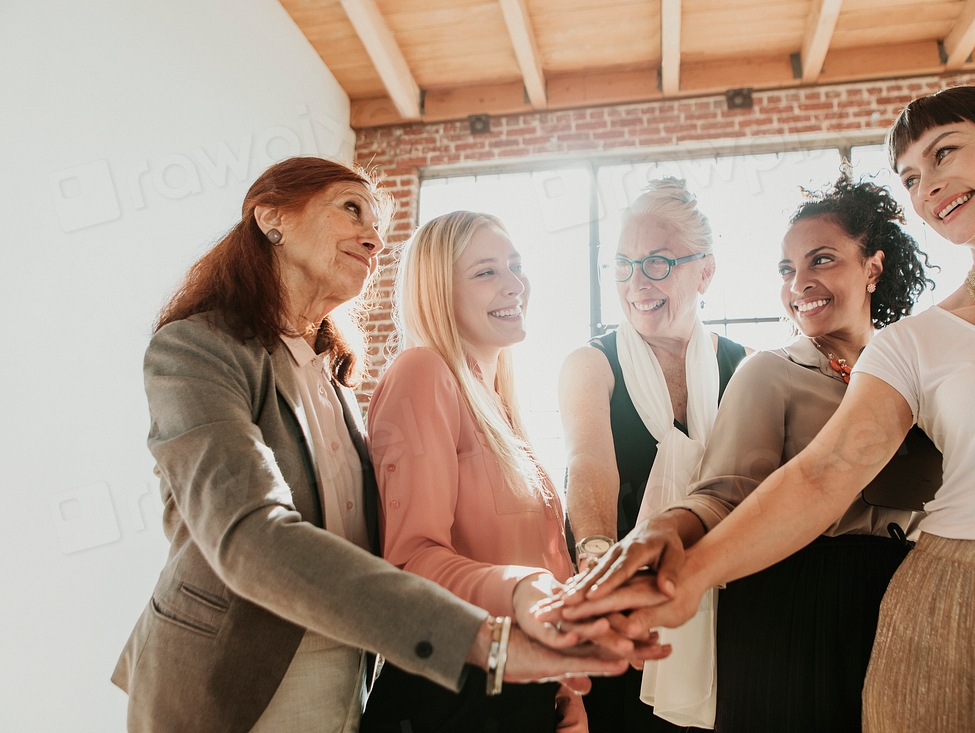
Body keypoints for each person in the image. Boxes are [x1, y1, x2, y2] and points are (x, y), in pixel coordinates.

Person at [547, 86, 975, 733]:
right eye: (913, 177)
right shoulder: (913, 346)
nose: (929, 186)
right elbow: (816, 474)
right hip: (932, 613)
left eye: (945, 153)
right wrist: (683, 570)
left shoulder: (888, 343)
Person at [111, 157, 632, 733]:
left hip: (347, 678)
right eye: (352, 208)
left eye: (377, 221)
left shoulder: (334, 382)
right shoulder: (194, 349)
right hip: (227, 684)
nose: (375, 235)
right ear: (272, 219)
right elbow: (248, 535)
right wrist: (494, 640)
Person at [576, 176, 937, 731]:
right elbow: (725, 493)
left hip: (903, 608)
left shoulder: (918, 375)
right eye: (787, 270)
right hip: (792, 608)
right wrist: (654, 537)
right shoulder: (769, 370)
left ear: (873, 267)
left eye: (821, 260)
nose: (800, 283)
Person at [363, 210, 666, 732]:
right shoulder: (422, 372)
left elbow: (543, 558)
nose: (515, 285)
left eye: (516, 266)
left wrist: (566, 685)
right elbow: (410, 561)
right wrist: (522, 589)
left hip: (520, 689)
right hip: (452, 692)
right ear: (439, 293)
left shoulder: (499, 403)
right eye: (486, 273)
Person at [558, 178, 748, 732]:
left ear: (705, 271)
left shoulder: (748, 368)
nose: (636, 282)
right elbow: (588, 463)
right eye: (623, 264)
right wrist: (600, 582)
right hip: (624, 620)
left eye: (659, 263)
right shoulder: (591, 364)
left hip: (732, 623)